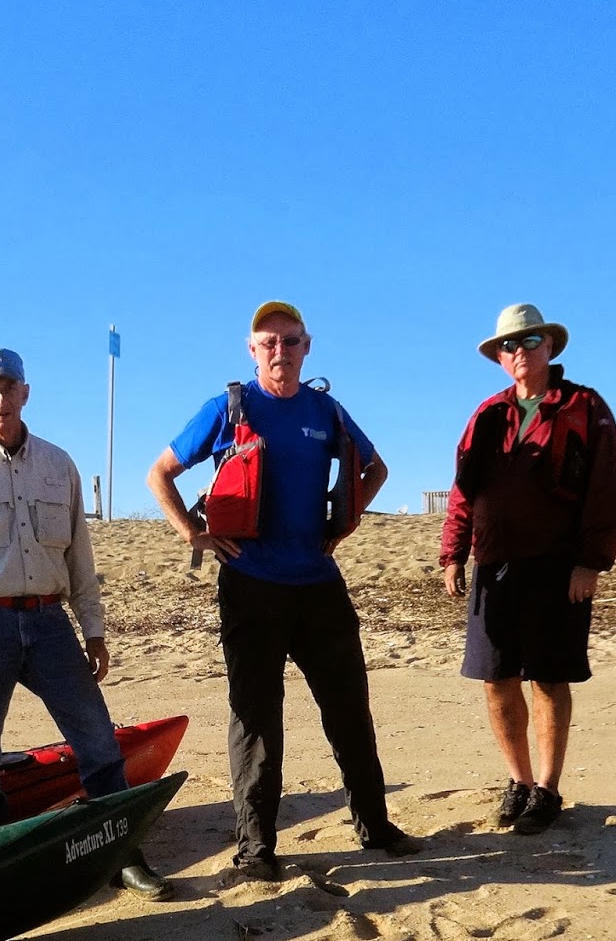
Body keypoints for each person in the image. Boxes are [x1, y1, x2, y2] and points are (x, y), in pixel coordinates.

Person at [144, 301, 416, 882]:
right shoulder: (228, 408)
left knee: (348, 709)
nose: (280, 352)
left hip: (318, 585)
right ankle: (256, 849)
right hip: (251, 585)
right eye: (268, 342)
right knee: (256, 718)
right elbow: (160, 473)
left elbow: (376, 469)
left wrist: (345, 522)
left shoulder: (325, 409)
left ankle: (375, 826)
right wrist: (193, 532)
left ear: (306, 347)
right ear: (252, 349)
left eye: (290, 341)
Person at [0, 346, 172, 899]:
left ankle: (122, 855)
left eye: (9, 386)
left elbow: (80, 559)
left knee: (97, 738)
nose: (0, 397)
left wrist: (94, 630)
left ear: (25, 392)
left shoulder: (59, 466)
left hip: (51, 624)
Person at [440, 303, 616, 834]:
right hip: (493, 565)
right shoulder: (486, 414)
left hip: (557, 566)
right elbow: (463, 488)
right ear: (499, 357)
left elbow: (609, 489)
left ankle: (547, 788)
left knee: (548, 677)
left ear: (548, 346)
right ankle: (518, 781)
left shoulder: (584, 406)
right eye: (509, 345)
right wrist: (453, 553)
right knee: (496, 679)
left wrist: (590, 563)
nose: (519, 351)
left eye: (529, 341)